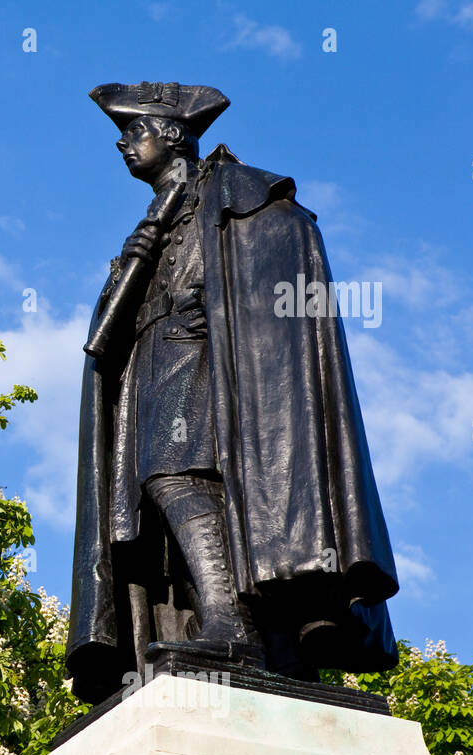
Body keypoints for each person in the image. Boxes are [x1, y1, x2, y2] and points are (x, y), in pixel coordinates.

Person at [66, 82, 399, 705]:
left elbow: (278, 257)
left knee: (176, 476)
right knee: (155, 492)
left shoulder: (237, 194)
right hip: (151, 362)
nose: (122, 144)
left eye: (133, 132)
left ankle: (232, 625)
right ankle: (231, 626)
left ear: (170, 136)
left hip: (204, 357)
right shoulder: (150, 225)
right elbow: (102, 342)